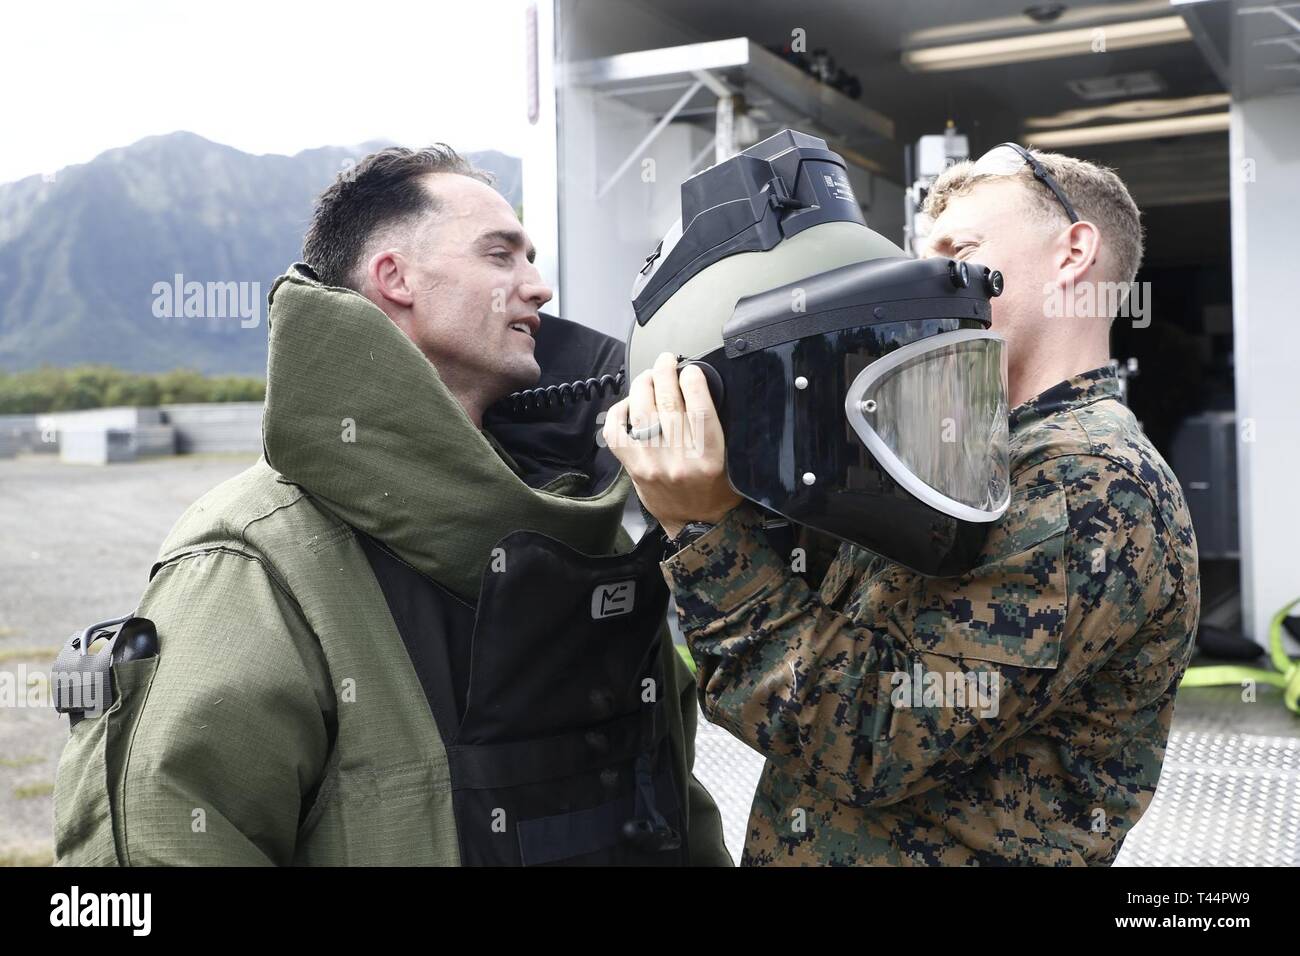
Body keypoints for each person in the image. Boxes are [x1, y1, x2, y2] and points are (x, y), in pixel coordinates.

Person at [53, 145, 730, 866]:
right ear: (394, 279)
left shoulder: (590, 537)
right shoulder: (252, 565)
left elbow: (675, 807)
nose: (539, 286)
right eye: (501, 256)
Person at [606, 144, 1200, 866]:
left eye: (961, 251)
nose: (932, 277)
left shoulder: (1088, 480)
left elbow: (870, 736)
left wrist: (702, 529)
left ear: (1074, 251)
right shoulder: (970, 450)